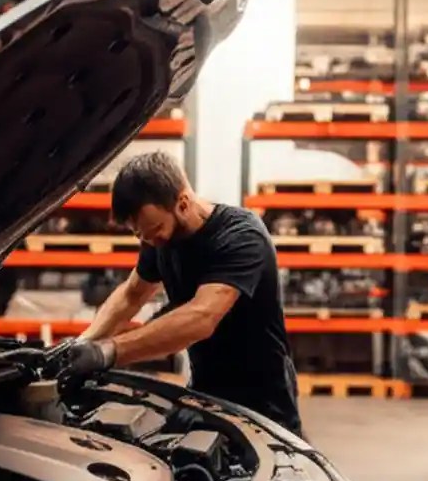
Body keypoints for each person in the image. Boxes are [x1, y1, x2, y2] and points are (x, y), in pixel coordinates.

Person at [55, 151, 303, 435]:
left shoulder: (241, 237)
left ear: (182, 203)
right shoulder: (159, 237)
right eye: (140, 235)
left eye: (154, 229)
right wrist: (84, 342)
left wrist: (108, 351)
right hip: (207, 391)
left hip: (264, 404)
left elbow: (201, 316)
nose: (149, 241)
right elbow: (132, 294)